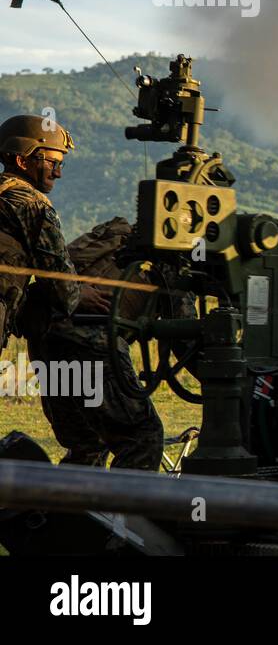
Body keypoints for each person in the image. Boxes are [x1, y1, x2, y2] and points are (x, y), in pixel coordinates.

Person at [0, 114, 163, 470]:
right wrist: (80, 294)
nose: (58, 173)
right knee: (142, 437)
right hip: (71, 340)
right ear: (22, 159)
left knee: (85, 447)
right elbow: (60, 282)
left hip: (43, 343)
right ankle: (125, 523)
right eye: (53, 163)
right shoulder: (31, 205)